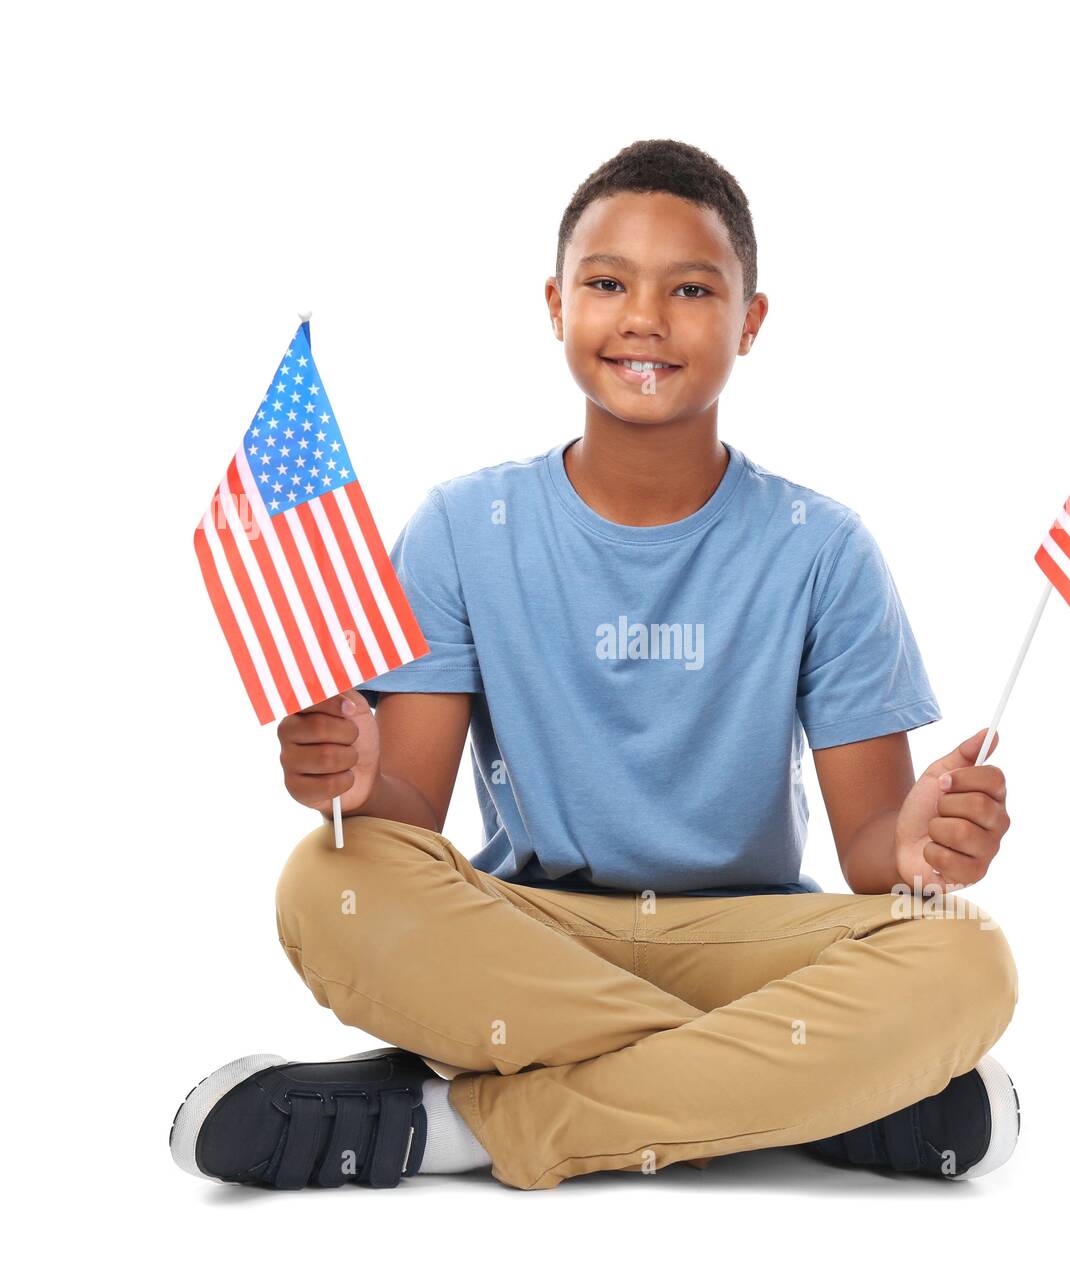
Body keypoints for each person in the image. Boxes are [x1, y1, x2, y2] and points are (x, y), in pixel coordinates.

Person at [170, 139, 1019, 1193]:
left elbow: (869, 854)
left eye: (692, 288)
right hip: (527, 932)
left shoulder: (821, 547)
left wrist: (925, 840)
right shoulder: (461, 528)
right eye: (607, 282)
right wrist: (350, 778)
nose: (645, 316)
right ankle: (796, 1091)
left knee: (963, 955)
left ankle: (464, 1128)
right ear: (556, 304)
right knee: (324, 881)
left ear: (751, 320)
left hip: (751, 935)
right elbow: (402, 822)